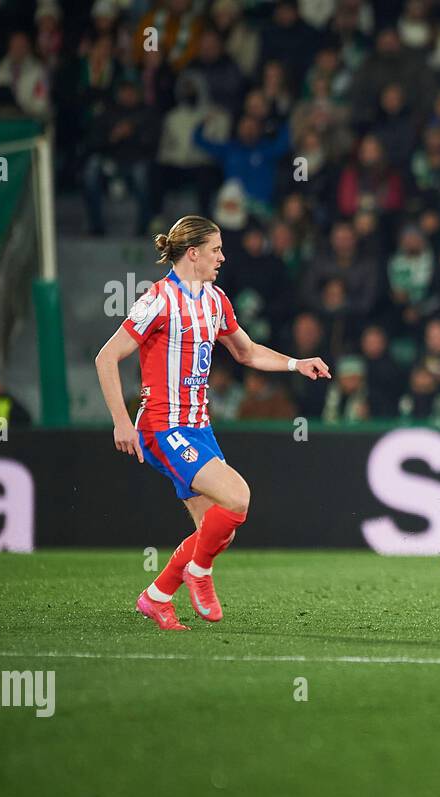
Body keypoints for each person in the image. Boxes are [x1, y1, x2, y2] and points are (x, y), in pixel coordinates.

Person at [94, 216, 330, 631]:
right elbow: (106, 357)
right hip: (162, 427)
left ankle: (157, 596)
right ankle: (198, 574)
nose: (222, 256)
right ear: (193, 253)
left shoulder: (216, 300)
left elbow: (247, 352)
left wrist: (296, 363)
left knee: (217, 530)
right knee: (238, 496)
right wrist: (120, 421)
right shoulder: (158, 300)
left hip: (198, 427)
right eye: (216, 249)